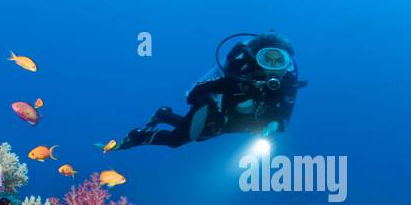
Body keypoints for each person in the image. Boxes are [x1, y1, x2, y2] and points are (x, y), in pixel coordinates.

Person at [118, 32, 306, 149]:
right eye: (267, 59)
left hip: (239, 119)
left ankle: (164, 115)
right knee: (177, 140)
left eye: (279, 61)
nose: (273, 66)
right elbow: (197, 91)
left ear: (288, 62)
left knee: (199, 135)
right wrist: (208, 108)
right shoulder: (240, 72)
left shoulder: (289, 81)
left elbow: (284, 117)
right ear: (257, 59)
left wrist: (272, 124)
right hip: (216, 110)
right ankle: (136, 137)